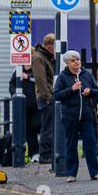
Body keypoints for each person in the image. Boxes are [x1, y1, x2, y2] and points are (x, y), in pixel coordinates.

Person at [54, 50, 98, 182]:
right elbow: (57, 95)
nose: (77, 62)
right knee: (71, 144)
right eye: (73, 60)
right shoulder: (62, 77)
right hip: (70, 115)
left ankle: (95, 173)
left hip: (87, 115)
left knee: (90, 143)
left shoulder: (86, 74)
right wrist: (71, 89)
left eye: (78, 60)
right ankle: (71, 173)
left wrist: (90, 91)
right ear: (67, 63)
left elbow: (97, 90)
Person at [31, 33, 56, 168]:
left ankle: (48, 153)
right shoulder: (39, 58)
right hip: (46, 98)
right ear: (49, 46)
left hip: (48, 96)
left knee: (50, 127)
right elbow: (40, 80)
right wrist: (48, 97)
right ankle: (45, 155)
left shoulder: (46, 57)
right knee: (47, 128)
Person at [7, 64, 40, 160]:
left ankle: (39, 151)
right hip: (22, 105)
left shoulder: (36, 68)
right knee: (25, 129)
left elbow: (40, 81)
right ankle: (27, 153)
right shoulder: (17, 69)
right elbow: (11, 84)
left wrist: (28, 77)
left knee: (36, 126)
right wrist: (15, 95)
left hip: (36, 104)